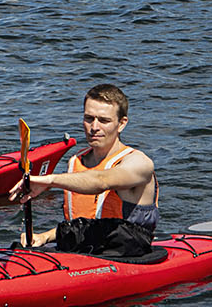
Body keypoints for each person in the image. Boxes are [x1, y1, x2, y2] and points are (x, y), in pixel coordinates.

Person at [11, 83, 158, 256]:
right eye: (89, 118)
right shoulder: (76, 162)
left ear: (121, 123)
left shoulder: (139, 163)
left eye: (104, 121)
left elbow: (101, 181)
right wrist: (44, 237)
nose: (94, 127)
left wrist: (50, 181)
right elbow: (82, 225)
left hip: (126, 254)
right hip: (84, 252)